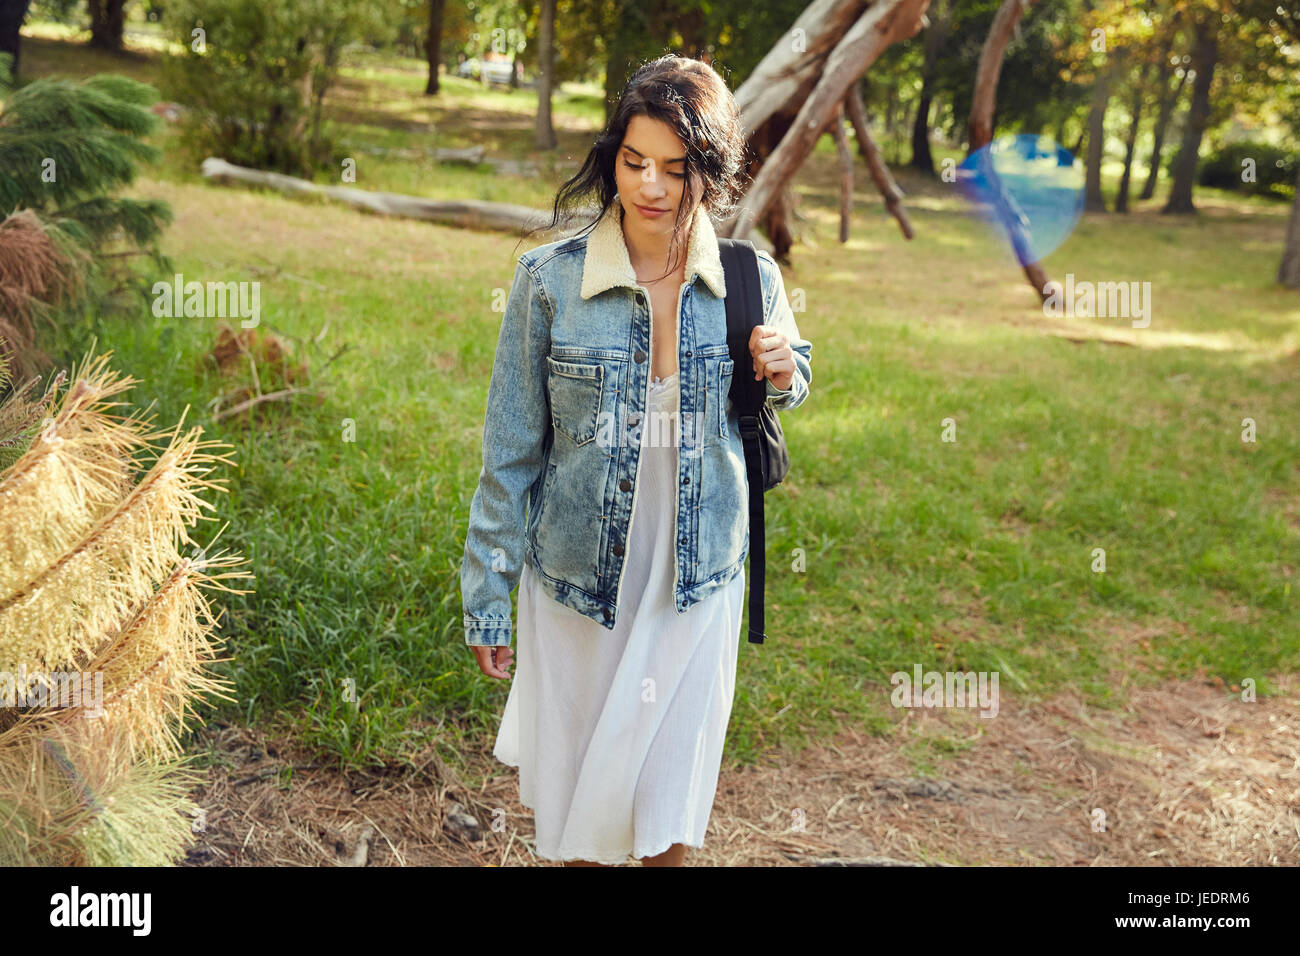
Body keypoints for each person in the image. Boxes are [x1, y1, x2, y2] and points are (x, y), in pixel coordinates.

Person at [459, 54, 812, 867]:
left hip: (698, 586)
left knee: (669, 821)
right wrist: (488, 590)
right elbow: (511, 453)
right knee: (587, 820)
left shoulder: (748, 279)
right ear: (612, 157)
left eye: (676, 169)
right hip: (582, 590)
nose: (650, 186)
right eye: (633, 162)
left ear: (711, 173)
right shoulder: (549, 282)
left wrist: (786, 370)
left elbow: (788, 381)